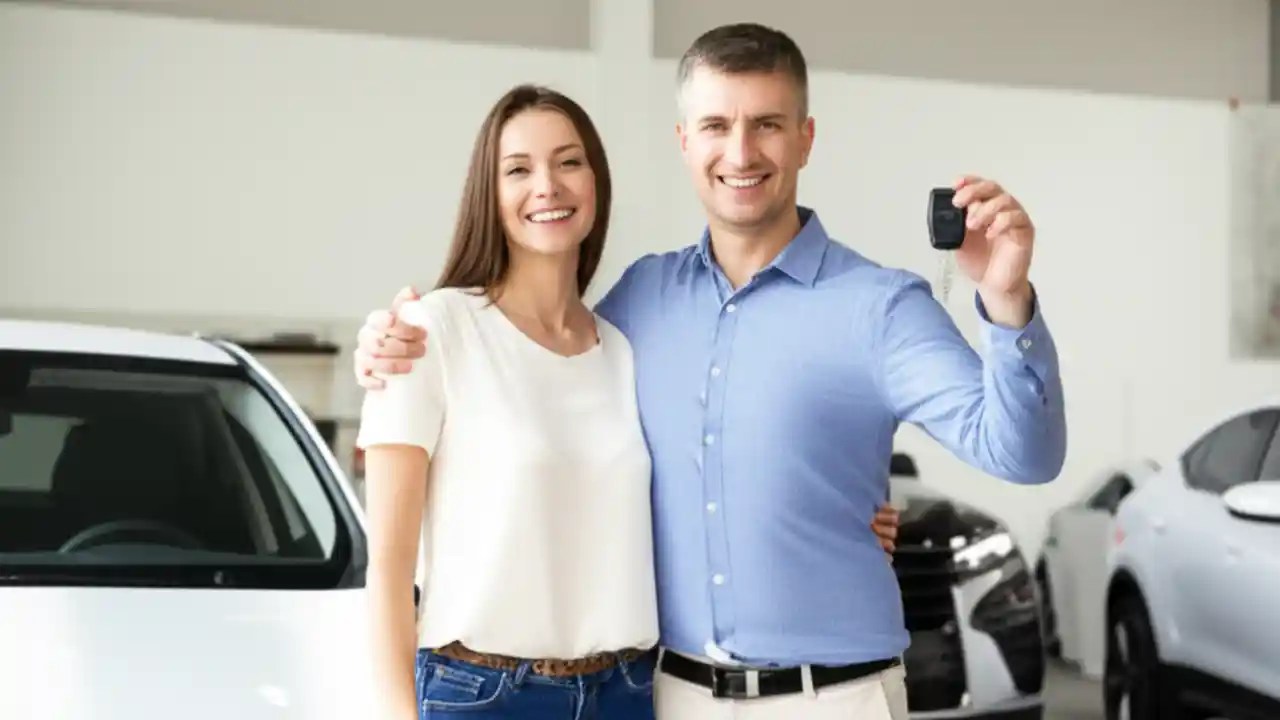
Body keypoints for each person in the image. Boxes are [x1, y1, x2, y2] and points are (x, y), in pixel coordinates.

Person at [356, 23, 1066, 720]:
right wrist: (386, 342)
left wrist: (1005, 300)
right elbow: (529, 378)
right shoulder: (636, 306)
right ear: (685, 142)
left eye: (766, 124)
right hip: (667, 697)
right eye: (717, 125)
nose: (741, 151)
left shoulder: (880, 307)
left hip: (835, 700)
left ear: (805, 138)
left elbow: (1022, 453)